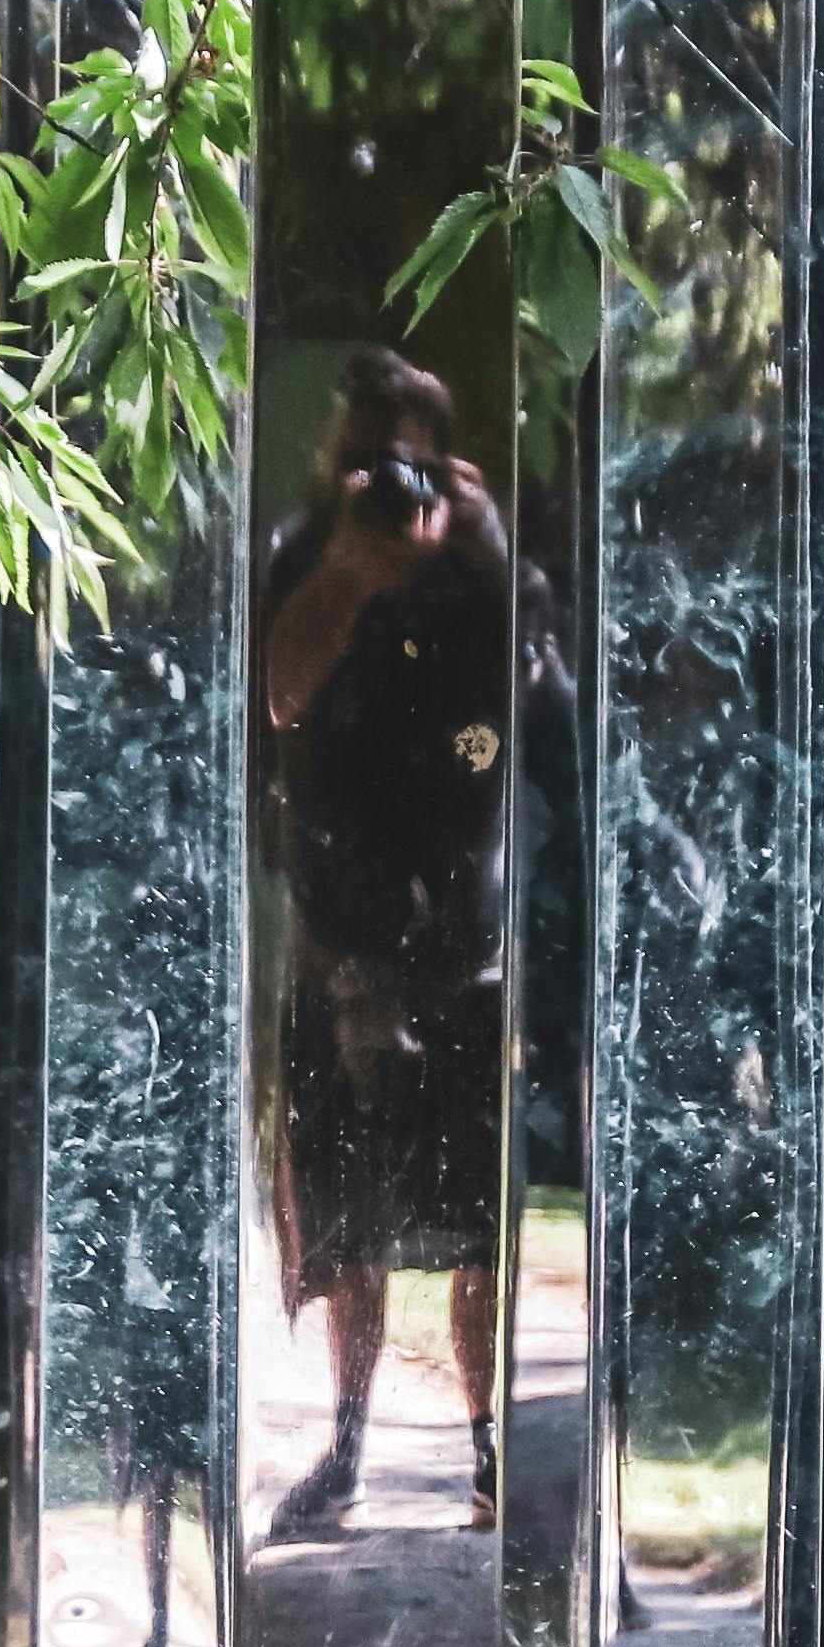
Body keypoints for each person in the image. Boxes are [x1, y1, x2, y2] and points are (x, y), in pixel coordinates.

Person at [253, 347, 528, 1537]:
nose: (396, 493)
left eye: (418, 466)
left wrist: (493, 546)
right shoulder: (300, 559)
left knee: (479, 1223)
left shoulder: (482, 576)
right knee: (349, 1228)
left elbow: (543, 699)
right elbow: (277, 695)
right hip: (342, 943)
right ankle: (350, 1444)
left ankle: (487, 1451)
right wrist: (349, 577)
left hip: (464, 944)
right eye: (374, 465)